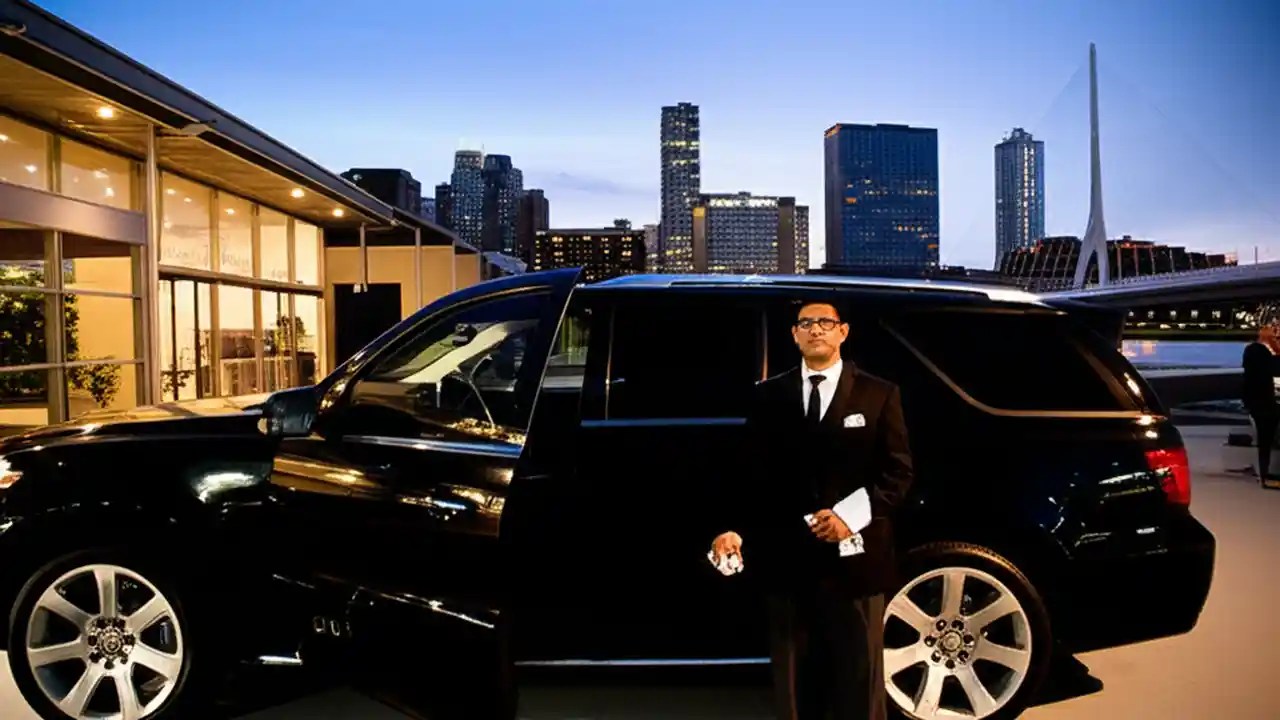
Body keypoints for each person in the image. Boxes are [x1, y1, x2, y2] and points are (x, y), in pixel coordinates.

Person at [709, 300, 913, 720]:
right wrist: (732, 528)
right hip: (786, 558)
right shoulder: (768, 396)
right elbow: (748, 473)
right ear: (794, 335)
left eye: (825, 322)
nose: (815, 329)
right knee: (793, 681)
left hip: (856, 560)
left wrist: (848, 518)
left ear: (843, 331)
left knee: (859, 675)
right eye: (806, 323)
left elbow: (898, 472)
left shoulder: (879, 393)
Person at [1242, 319, 1280, 488]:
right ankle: (1265, 474)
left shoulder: (1260, 351)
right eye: (1274, 330)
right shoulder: (1256, 351)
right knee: (1265, 438)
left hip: (1266, 402)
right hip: (1263, 403)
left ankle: (1268, 472)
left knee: (1268, 439)